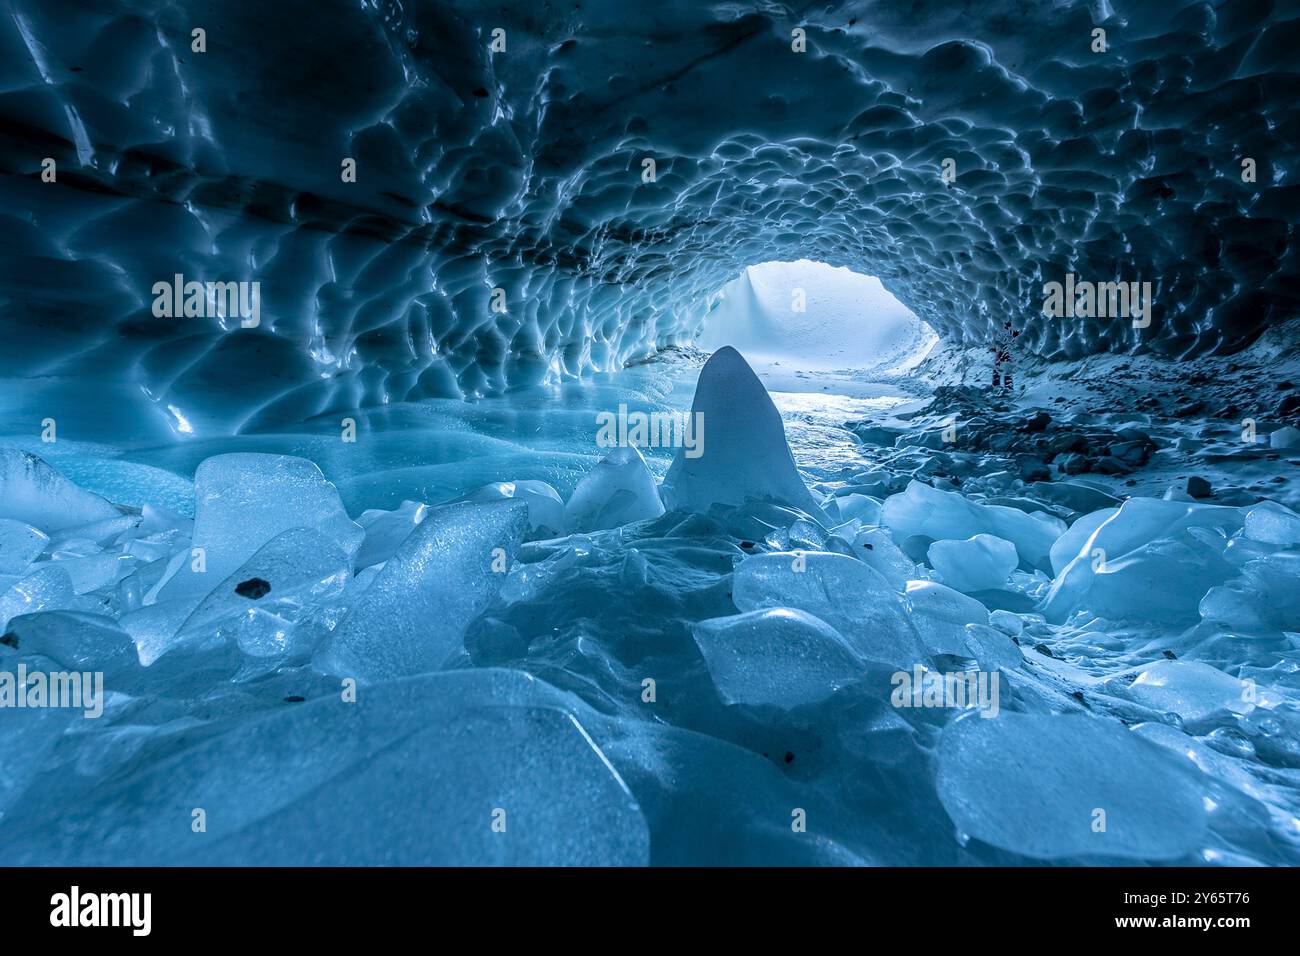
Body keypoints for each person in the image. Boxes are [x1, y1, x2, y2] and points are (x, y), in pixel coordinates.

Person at [989, 320, 1020, 390]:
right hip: (1002, 351)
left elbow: (1016, 338)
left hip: (1006, 351)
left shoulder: (1011, 330)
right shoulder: (1001, 329)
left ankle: (1004, 387)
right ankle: (999, 386)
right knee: (1000, 368)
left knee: (1003, 368)